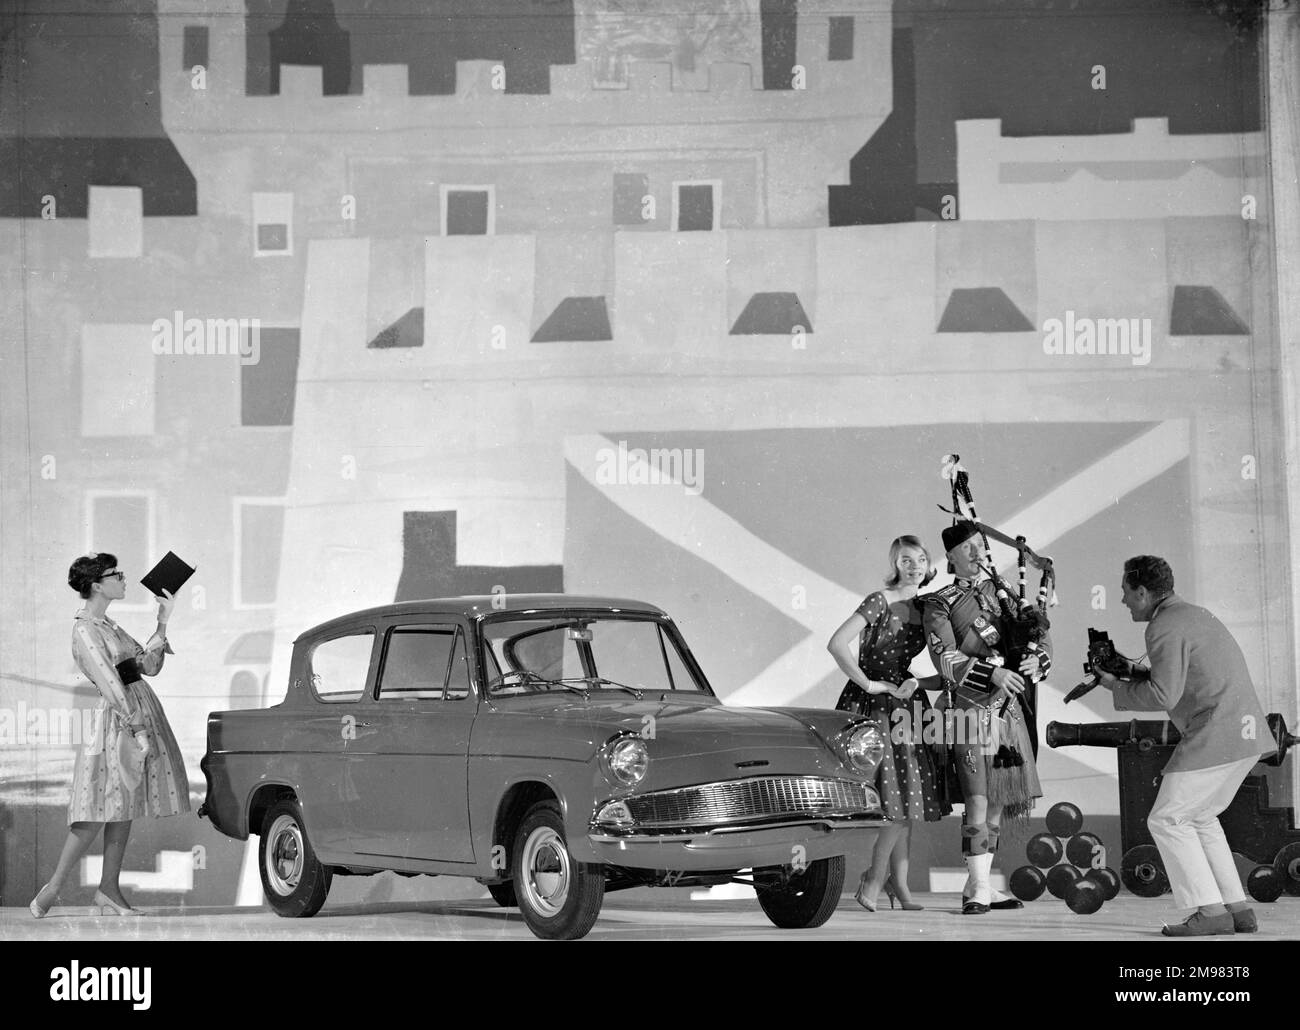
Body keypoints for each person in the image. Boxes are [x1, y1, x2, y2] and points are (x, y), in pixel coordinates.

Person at [1096, 555, 1273, 937]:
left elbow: (1163, 694)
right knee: (1200, 818)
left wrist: (1116, 688)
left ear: (1143, 592)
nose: (1124, 601)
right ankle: (1237, 909)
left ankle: (1210, 912)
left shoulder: (1162, 627)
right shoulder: (1193, 615)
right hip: (1246, 735)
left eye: (1126, 593)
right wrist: (1132, 672)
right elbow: (1185, 676)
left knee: (1167, 819)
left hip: (1217, 736)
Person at [29, 553, 191, 918]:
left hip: (137, 712)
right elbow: (110, 683)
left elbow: (147, 666)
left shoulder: (110, 626)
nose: (123, 577)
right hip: (117, 720)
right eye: (115, 574)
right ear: (97, 585)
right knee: (95, 810)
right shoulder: (85, 629)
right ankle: (52, 888)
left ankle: (108, 890)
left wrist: (162, 620)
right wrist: (136, 727)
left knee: (123, 805)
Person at [923, 520, 1050, 914]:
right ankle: (978, 888)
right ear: (951, 556)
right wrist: (992, 672)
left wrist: (1036, 659)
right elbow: (944, 656)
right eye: (969, 548)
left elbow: (1040, 636)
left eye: (981, 545)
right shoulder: (938, 603)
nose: (978, 554)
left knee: (996, 801)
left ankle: (978, 885)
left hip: (1009, 711)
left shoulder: (1003, 594)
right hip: (970, 711)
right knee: (977, 799)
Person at [828, 535, 949, 912]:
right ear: (895, 564)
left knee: (907, 802)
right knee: (895, 802)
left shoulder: (928, 606)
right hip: (872, 705)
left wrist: (914, 683)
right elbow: (837, 643)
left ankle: (899, 887)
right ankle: (874, 879)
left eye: (920, 559)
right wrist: (868, 683)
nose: (913, 566)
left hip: (906, 704)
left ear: (929, 564)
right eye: (905, 560)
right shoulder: (879, 599)